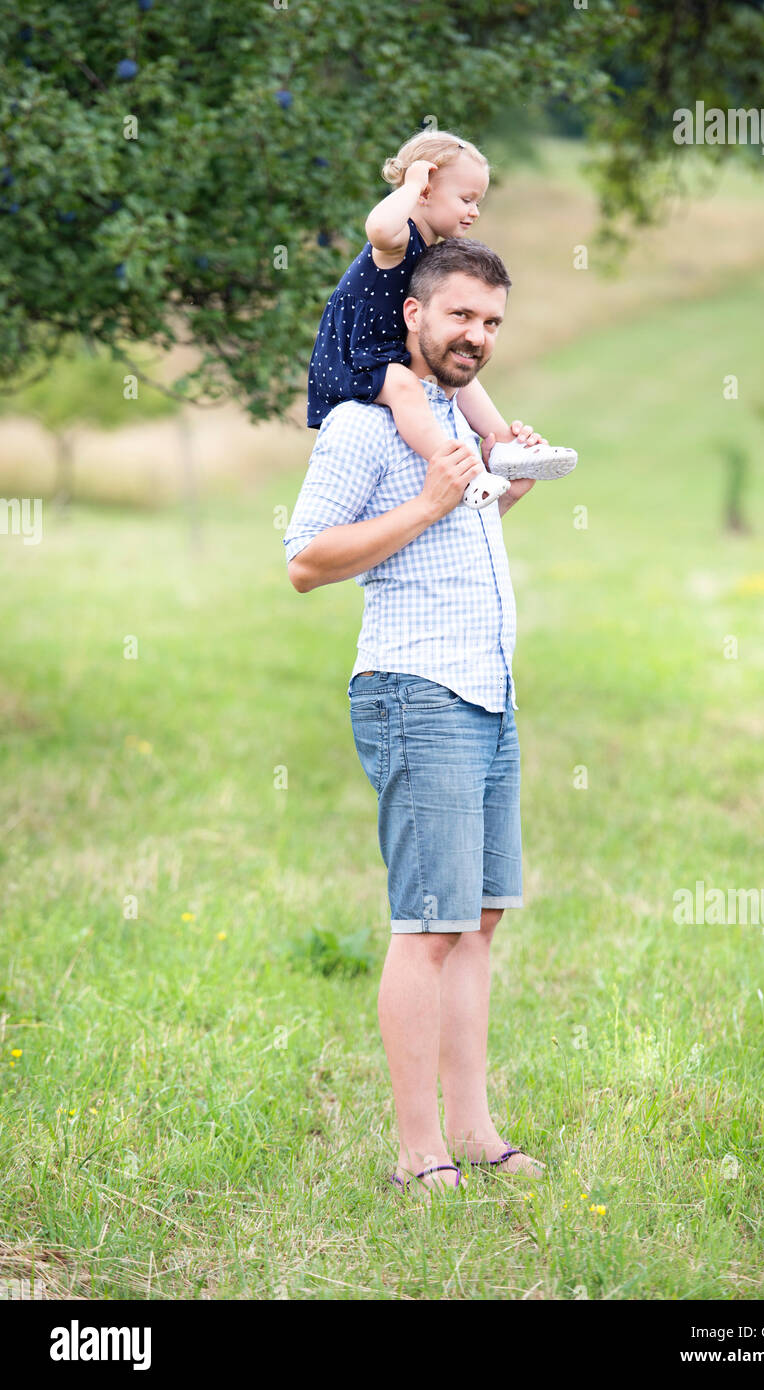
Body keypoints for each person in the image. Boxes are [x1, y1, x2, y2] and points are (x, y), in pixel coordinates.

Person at [285, 237, 548, 1202]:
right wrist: (438, 498)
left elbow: (441, 536)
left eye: (490, 323)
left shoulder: (450, 423)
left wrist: (494, 493)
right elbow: (306, 560)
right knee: (427, 923)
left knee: (477, 920)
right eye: (460, 316)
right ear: (414, 313)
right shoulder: (364, 425)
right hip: (414, 690)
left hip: (486, 689)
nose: (475, 336)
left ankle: (474, 1133)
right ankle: (416, 1150)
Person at [306, 128, 577, 511]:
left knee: (456, 369)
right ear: (427, 193)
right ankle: (462, 473)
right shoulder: (399, 239)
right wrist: (412, 184)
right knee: (404, 384)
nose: (475, 210)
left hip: (388, 350)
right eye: (466, 199)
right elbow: (377, 228)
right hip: (355, 358)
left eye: (477, 201)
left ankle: (502, 446)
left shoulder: (429, 248)